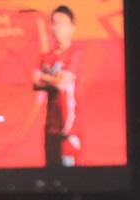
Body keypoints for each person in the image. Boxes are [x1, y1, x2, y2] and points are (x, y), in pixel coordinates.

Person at [32, 6, 81, 169]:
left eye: (61, 23)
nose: (57, 27)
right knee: (51, 172)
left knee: (70, 175)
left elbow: (62, 84)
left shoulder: (75, 53)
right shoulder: (48, 56)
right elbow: (35, 82)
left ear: (72, 27)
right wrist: (51, 78)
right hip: (50, 126)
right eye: (54, 23)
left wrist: (45, 77)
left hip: (68, 127)